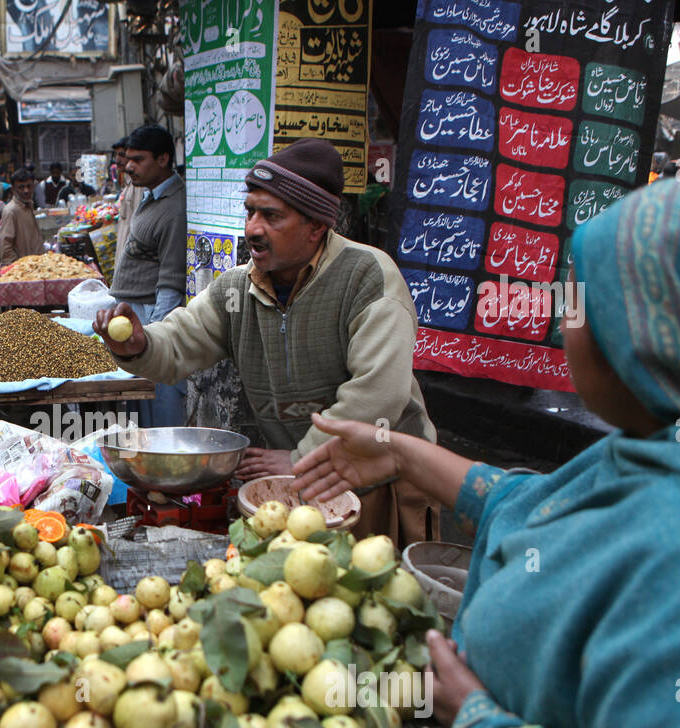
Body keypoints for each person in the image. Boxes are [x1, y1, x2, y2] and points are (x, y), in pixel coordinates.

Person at [298, 175, 680, 728]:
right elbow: (523, 503)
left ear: (650, 333)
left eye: (585, 298)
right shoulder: (667, 448)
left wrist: (473, 719)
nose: (564, 318)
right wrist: (398, 451)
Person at [95, 138, 437, 547]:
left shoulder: (366, 277)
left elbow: (377, 395)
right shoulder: (239, 287)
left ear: (316, 227)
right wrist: (138, 344)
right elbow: (180, 341)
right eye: (250, 211)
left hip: (379, 476)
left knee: (372, 591)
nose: (253, 229)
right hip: (297, 484)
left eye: (271, 216)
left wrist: (300, 458)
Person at [108, 124, 189, 429]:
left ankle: (171, 469)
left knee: (162, 414)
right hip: (132, 315)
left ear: (163, 159)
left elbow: (171, 283)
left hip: (151, 316)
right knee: (140, 412)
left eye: (138, 159)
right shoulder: (151, 195)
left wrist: (154, 339)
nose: (128, 167)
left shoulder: (173, 208)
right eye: (127, 158)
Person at [0, 168, 44, 266]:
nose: (26, 190)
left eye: (29, 186)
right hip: (24, 269)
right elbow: (3, 245)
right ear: (13, 189)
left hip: (35, 265)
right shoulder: (11, 211)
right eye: (21, 187)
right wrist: (17, 267)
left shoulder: (28, 205)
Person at [113, 138, 140, 254]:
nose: (118, 160)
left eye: (122, 155)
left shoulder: (138, 185)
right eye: (116, 155)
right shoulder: (127, 183)